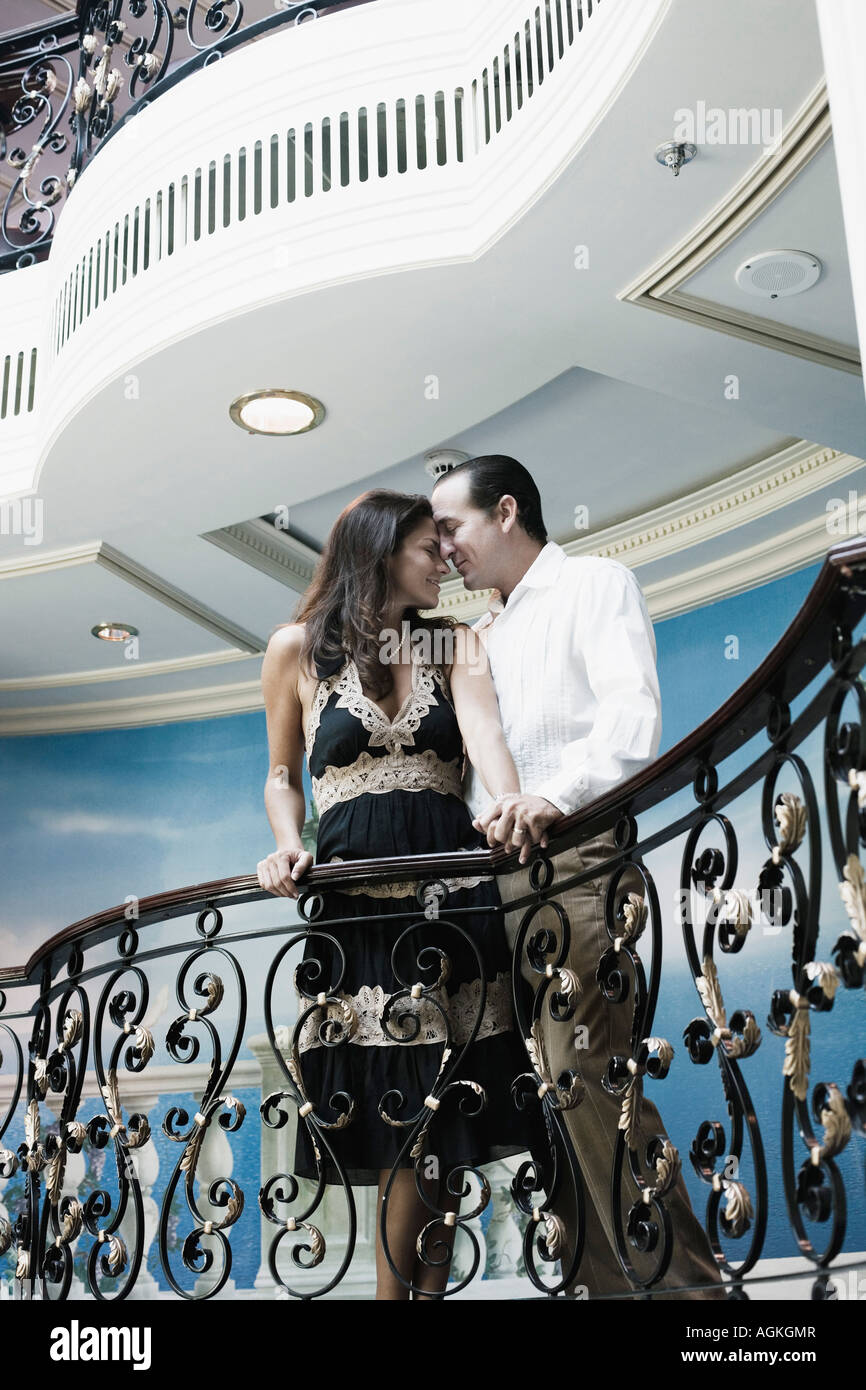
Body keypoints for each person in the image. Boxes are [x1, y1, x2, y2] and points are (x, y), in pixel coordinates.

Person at [431, 455, 725, 1300]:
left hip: (582, 863)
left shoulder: (596, 583)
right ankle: (605, 1291)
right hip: (499, 890)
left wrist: (550, 796)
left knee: (587, 1077)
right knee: (550, 1105)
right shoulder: (479, 636)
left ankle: (695, 1301)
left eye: (451, 526)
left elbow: (634, 719)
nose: (442, 546)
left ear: (508, 511)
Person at [256, 489, 540, 1301]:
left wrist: (510, 802)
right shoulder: (295, 650)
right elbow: (281, 776)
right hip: (358, 914)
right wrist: (286, 844)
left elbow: (485, 739)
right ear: (379, 553)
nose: (444, 561)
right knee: (404, 1118)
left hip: (453, 904)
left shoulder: (457, 645)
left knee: (446, 1115)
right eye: (426, 547)